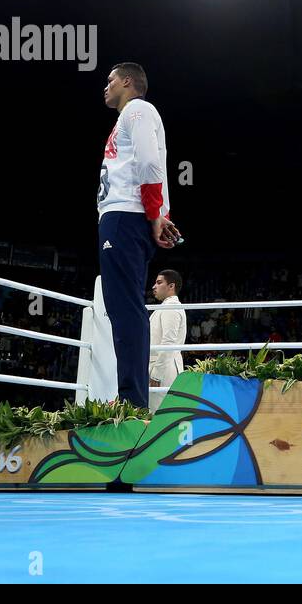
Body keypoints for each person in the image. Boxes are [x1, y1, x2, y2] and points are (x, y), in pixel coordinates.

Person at [97, 61, 180, 407]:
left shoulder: (139, 110)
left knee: (125, 308)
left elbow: (149, 164)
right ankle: (131, 396)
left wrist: (154, 215)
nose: (105, 87)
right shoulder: (129, 117)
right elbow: (155, 163)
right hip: (125, 217)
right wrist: (160, 214)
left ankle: (131, 399)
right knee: (123, 307)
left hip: (125, 217)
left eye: (110, 80)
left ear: (127, 82)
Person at [148, 269, 187, 410]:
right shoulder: (166, 306)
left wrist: (157, 375)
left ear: (171, 286)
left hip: (163, 369)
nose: (154, 286)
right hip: (161, 366)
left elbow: (168, 342)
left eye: (159, 283)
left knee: (157, 416)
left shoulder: (171, 306)